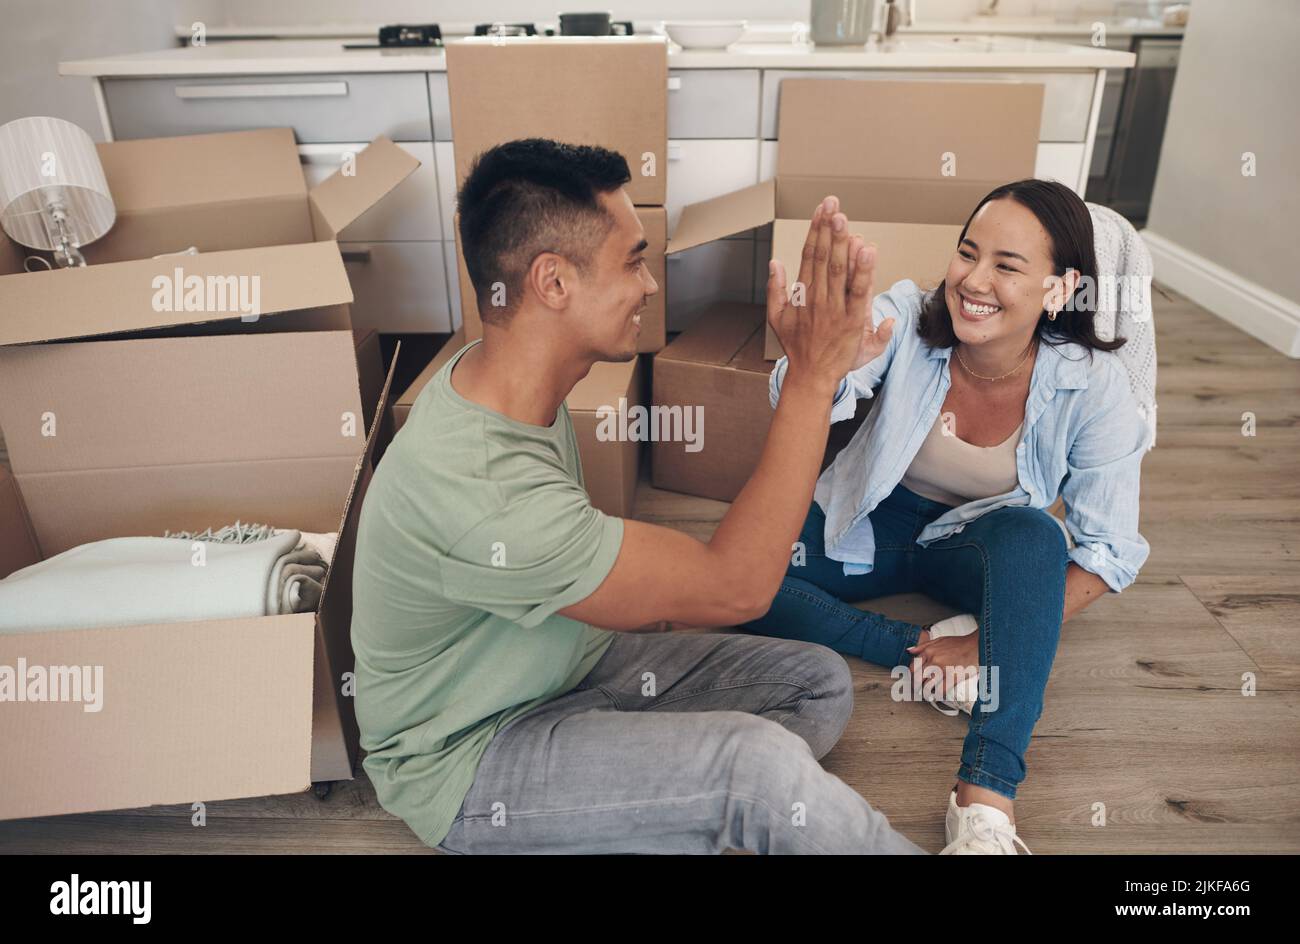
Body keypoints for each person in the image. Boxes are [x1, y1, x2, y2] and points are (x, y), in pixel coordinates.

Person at [350, 137, 924, 854]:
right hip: (470, 755)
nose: (650, 285)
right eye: (633, 260)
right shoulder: (484, 490)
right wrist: (811, 378)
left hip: (564, 660)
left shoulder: (500, 378)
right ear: (553, 283)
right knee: (756, 770)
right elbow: (738, 588)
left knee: (817, 684)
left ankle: (641, 813)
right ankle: (655, 809)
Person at [744, 179, 1150, 855]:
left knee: (1037, 538)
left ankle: (985, 802)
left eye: (1008, 266)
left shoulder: (1092, 385)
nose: (974, 280)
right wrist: (827, 363)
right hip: (870, 524)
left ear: (1059, 289)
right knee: (746, 577)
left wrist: (980, 644)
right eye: (968, 252)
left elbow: (1111, 553)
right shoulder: (906, 314)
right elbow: (794, 394)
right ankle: (914, 652)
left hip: (977, 546)